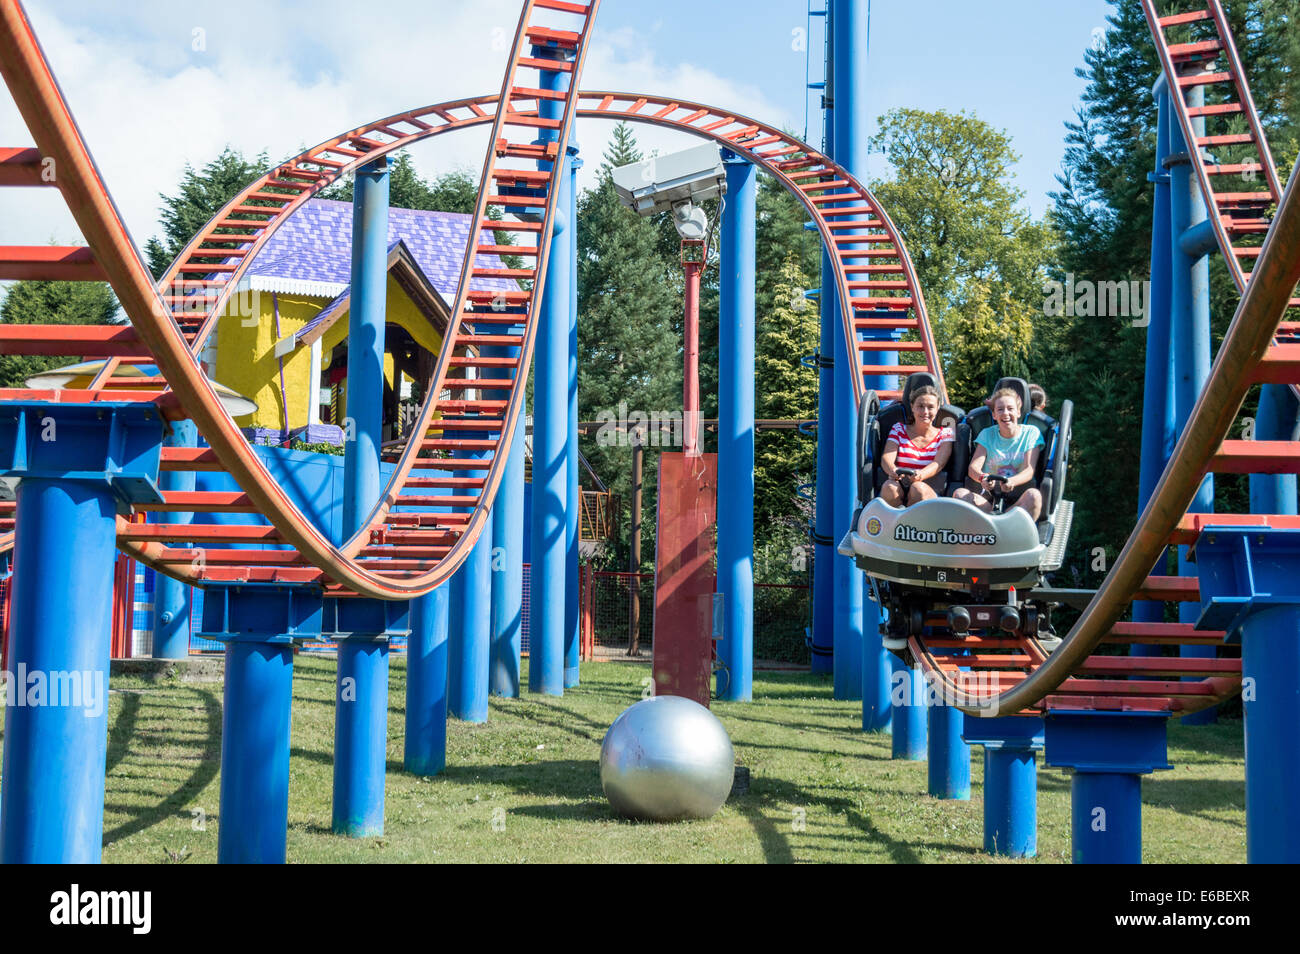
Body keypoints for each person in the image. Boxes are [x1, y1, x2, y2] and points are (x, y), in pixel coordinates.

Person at [954, 387, 1044, 519]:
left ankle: (1004, 524)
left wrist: (1011, 481)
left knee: (1034, 496)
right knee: (959, 494)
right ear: (994, 415)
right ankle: (991, 524)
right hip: (988, 499)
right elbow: (973, 468)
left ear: (1018, 412)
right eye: (1000, 409)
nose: (1005, 413)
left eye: (1010, 408)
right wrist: (982, 477)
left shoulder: (1031, 433)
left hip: (1017, 501)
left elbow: (1029, 470)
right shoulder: (987, 434)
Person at [879, 385, 954, 507]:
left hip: (929, 489)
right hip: (900, 484)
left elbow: (938, 463)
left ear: (937, 408)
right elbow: (887, 458)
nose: (925, 412)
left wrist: (920, 475)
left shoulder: (946, 434)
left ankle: (914, 523)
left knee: (918, 489)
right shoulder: (898, 429)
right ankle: (893, 522)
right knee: (889, 488)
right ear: (912, 407)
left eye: (930, 407)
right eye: (920, 406)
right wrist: (892, 470)